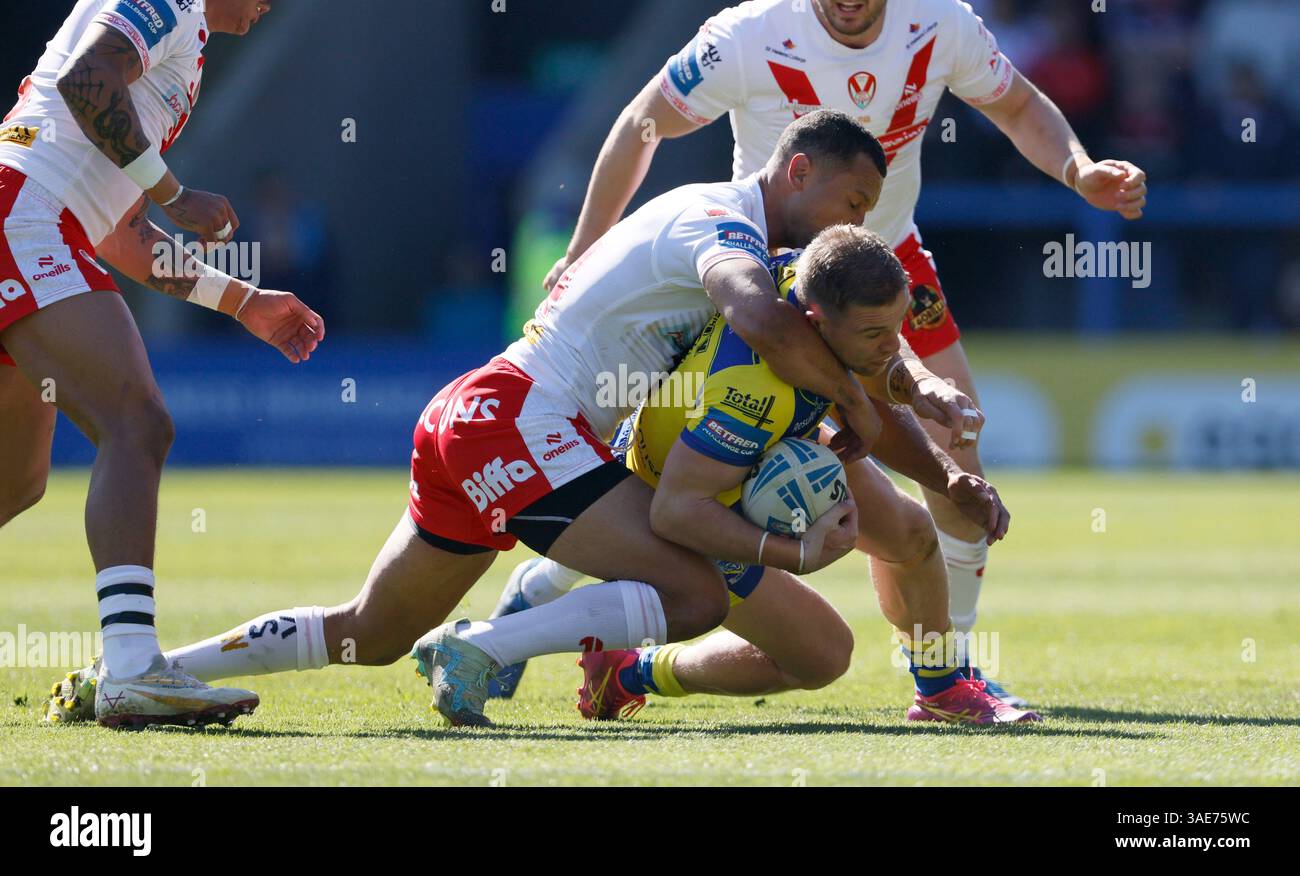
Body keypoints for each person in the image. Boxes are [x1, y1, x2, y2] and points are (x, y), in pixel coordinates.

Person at [43, 112, 975, 730]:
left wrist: (911, 417)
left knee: (369, 634)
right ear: (798, 170)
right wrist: (861, 407)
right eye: (850, 203)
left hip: (481, 412)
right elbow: (765, 321)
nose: (848, 224)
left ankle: (149, 673)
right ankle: (487, 645)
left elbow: (812, 336)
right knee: (690, 596)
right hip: (525, 420)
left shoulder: (754, 241)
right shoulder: (718, 225)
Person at [532, 0, 1149, 705]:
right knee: (687, 473)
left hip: (890, 271)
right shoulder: (747, 34)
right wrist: (582, 250)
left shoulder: (941, 22)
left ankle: (948, 671)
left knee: (955, 441)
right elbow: (641, 123)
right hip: (765, 282)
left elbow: (1015, 103)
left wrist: (1078, 170)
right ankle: (557, 587)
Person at [565, 225, 1034, 724]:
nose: (890, 344)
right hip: (683, 496)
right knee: (823, 656)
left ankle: (942, 692)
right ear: (817, 325)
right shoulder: (748, 396)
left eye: (896, 326)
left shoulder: (808, 277)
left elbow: (876, 374)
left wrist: (949, 478)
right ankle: (630, 671)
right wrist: (796, 554)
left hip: (764, 445)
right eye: (874, 334)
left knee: (912, 534)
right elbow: (675, 510)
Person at [6, 0, 324, 729]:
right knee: (136, 421)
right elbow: (88, 79)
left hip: (31, 221)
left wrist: (242, 302)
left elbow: (117, 230)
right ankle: (131, 667)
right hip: (26, 220)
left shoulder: (184, 33)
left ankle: (130, 668)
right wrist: (175, 193)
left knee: (13, 483)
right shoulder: (172, 3)